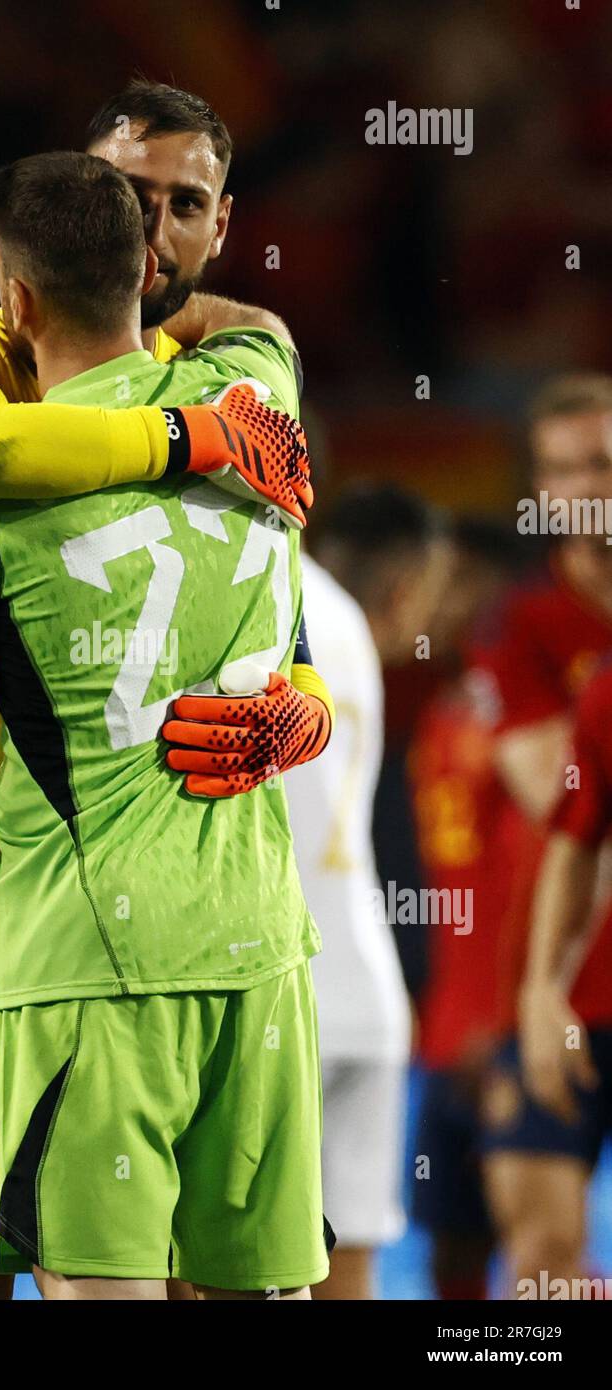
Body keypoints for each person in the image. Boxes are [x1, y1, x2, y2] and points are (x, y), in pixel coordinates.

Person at [0, 149, 333, 1300]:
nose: (160, 224)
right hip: (3, 911)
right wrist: (192, 442)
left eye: (184, 204)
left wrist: (308, 713)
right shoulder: (236, 413)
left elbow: (294, 657)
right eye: (135, 197)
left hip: (82, 940)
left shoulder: (232, 381)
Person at [476, 373, 612, 1297]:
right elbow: (560, 800)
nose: (585, 489)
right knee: (540, 1266)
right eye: (562, 471)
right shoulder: (519, 628)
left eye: (602, 464)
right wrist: (541, 986)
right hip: (561, 988)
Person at [290, 486, 442, 1298]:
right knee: (348, 1276)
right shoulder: (347, 620)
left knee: (210, 1274)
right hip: (364, 994)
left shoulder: (227, 594)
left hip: (265, 996)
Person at [409, 519, 535, 1300]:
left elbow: (533, 866)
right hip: (447, 1026)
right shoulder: (443, 706)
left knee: (536, 1243)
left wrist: (507, 1013)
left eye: (454, 579)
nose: (437, 595)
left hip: (503, 1025)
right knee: (451, 1248)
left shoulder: (516, 713)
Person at [516, 659, 612, 1300]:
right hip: (599, 1010)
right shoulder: (606, 690)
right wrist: (541, 993)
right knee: (545, 1258)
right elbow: (575, 839)